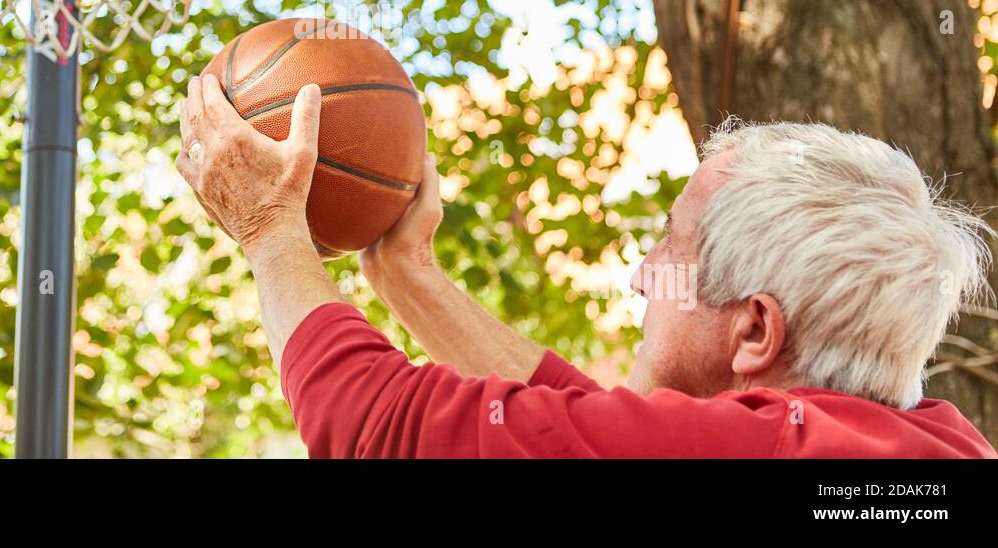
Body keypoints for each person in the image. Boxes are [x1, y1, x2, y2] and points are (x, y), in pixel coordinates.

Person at [175, 75, 997, 458]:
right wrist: (412, 282)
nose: (643, 275)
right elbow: (593, 428)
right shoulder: (927, 449)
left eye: (671, 248)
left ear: (755, 328)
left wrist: (267, 223)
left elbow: (373, 424)